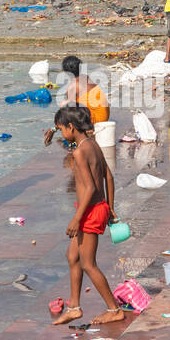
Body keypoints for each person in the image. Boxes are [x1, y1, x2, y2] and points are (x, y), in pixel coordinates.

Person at [50, 105, 121, 327]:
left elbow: (90, 188)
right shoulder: (92, 145)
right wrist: (110, 206)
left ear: (71, 127)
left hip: (89, 212)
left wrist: (76, 219)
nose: (62, 133)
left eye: (62, 129)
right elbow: (108, 177)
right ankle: (74, 307)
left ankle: (114, 309)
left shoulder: (80, 151)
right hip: (97, 207)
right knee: (72, 257)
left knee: (88, 264)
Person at [42, 55, 110, 146]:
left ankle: (83, 131)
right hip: (105, 115)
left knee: (64, 106)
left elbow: (69, 112)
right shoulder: (86, 77)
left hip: (97, 120)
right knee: (70, 104)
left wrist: (53, 129)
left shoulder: (72, 87)